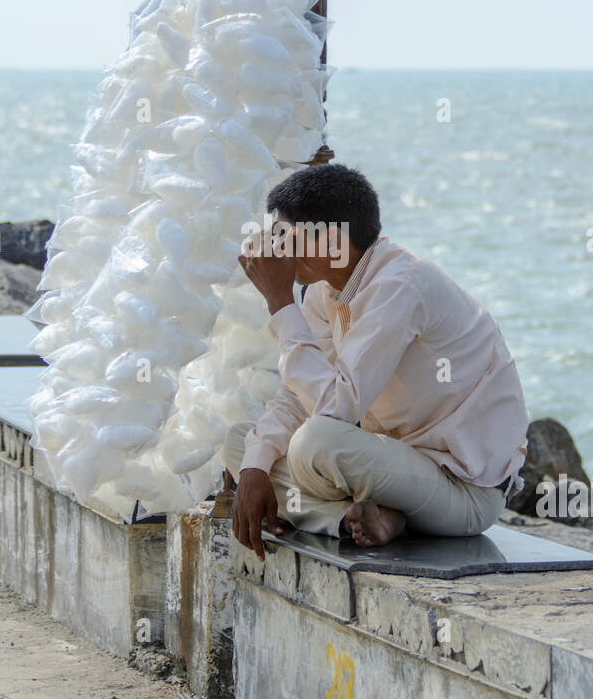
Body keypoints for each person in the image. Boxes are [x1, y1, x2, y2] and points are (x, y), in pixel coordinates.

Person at [226, 164, 529, 560]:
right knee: (241, 445)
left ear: (331, 241)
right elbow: (297, 398)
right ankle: (359, 520)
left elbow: (338, 407)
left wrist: (280, 303)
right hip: (393, 469)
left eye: (286, 237)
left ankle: (377, 515)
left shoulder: (398, 286)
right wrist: (253, 470)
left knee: (315, 442)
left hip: (463, 491)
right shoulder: (324, 292)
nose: (275, 249)